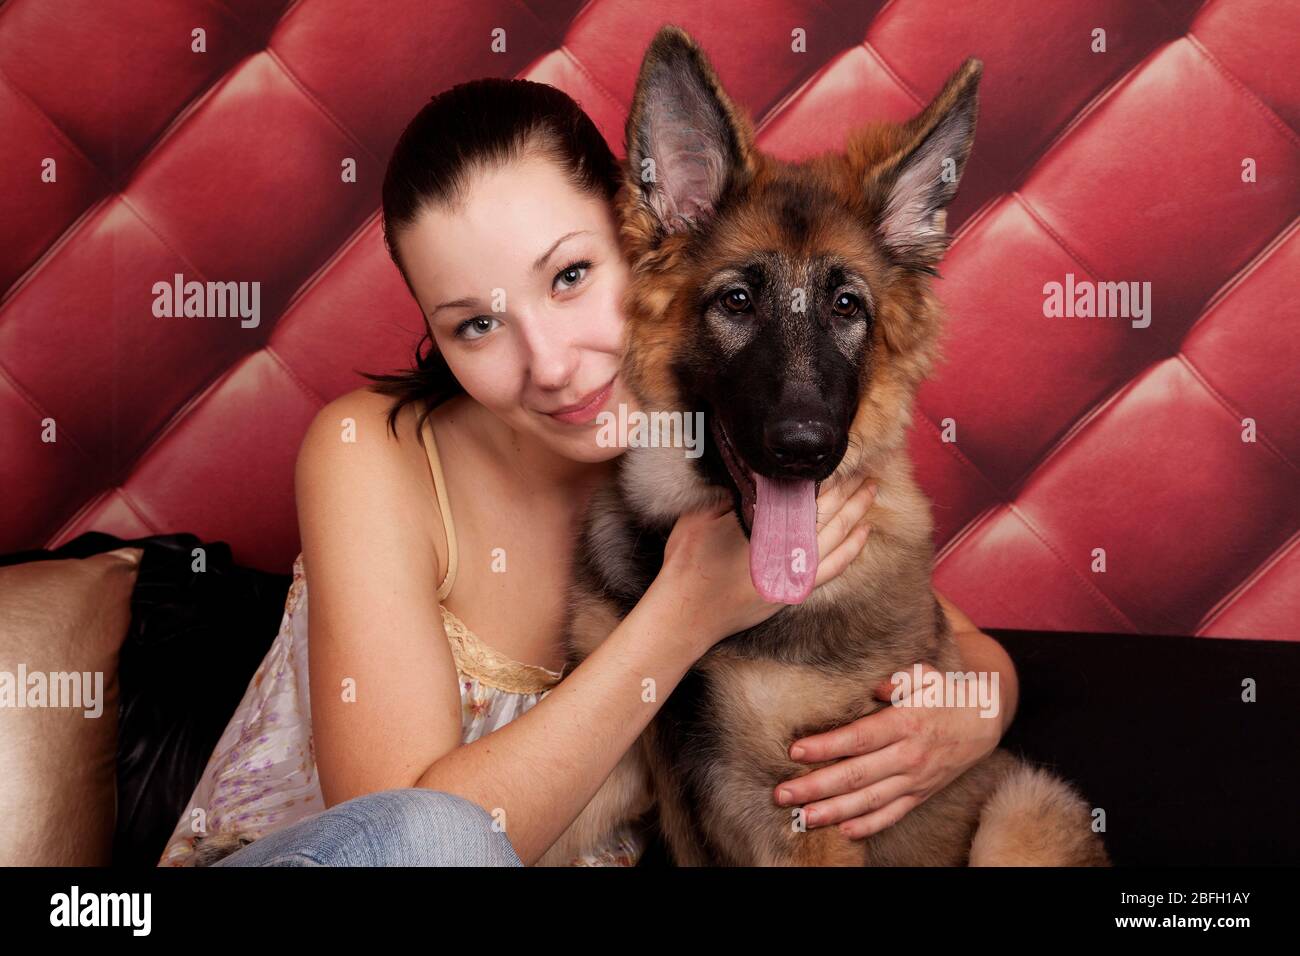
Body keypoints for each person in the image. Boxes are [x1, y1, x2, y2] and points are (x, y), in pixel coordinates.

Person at [158, 77, 1018, 867]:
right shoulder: (367, 452)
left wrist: (975, 715)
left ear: (645, 236)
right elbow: (407, 838)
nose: (554, 366)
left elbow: (928, 628)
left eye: (569, 276)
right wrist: (684, 613)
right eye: (475, 326)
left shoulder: (701, 444)